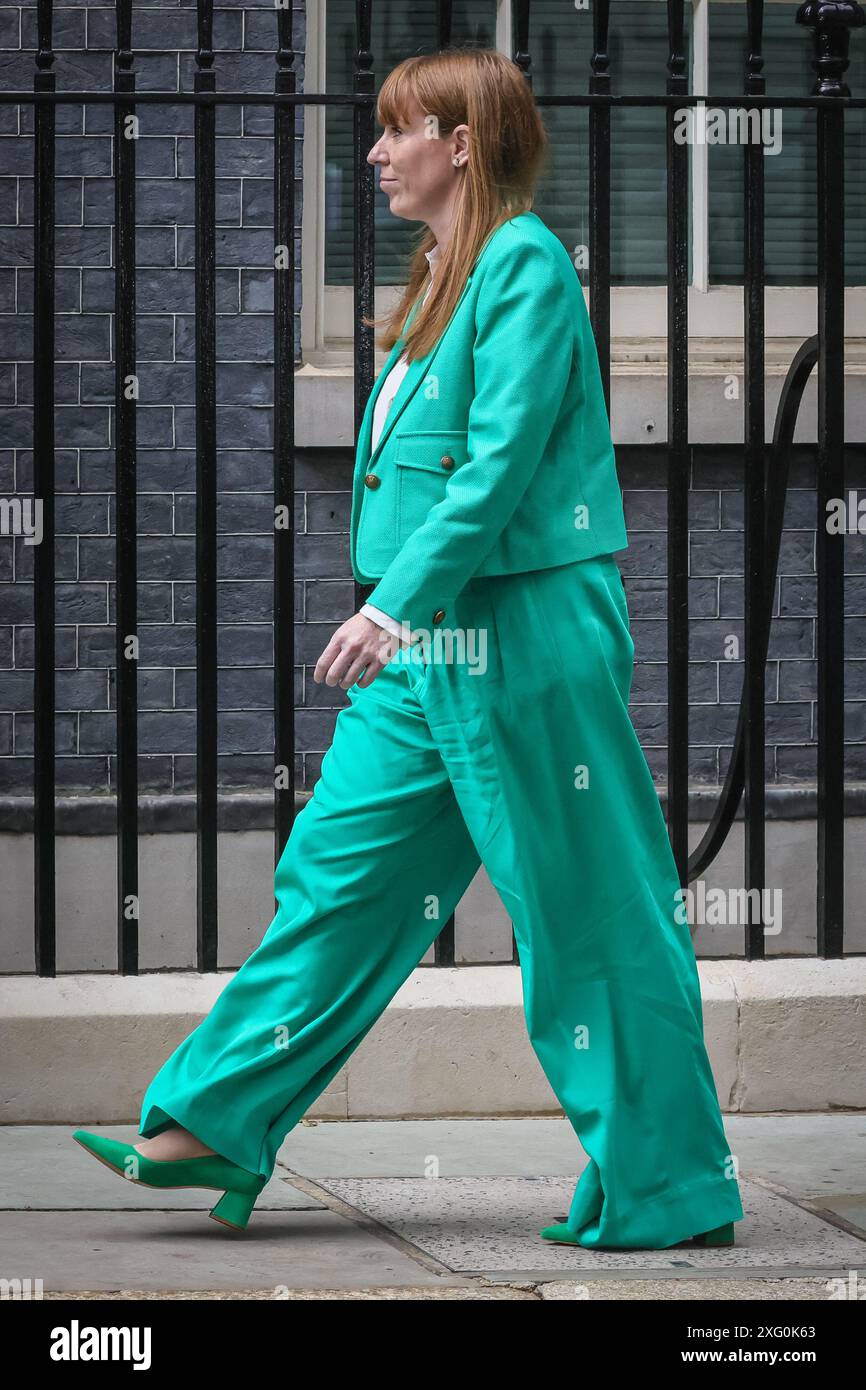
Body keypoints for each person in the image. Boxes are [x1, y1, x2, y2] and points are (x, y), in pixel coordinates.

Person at [73, 48, 744, 1249]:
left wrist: (392, 605)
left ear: (463, 141)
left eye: (397, 132)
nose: (375, 153)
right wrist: (401, 608)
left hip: (521, 625)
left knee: (584, 911)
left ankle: (671, 1184)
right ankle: (215, 1119)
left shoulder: (523, 264)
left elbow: (494, 466)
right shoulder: (439, 272)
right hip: (428, 635)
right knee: (340, 871)